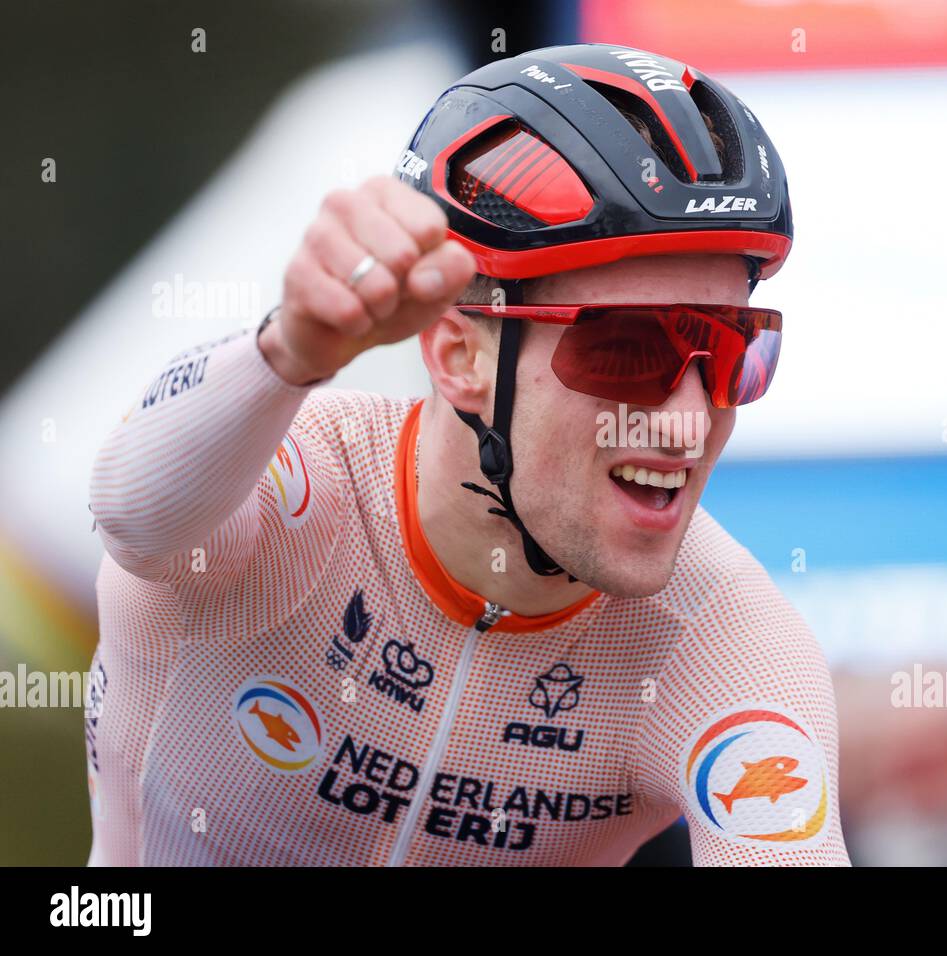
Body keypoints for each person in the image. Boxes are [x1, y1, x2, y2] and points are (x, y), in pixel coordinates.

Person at [84, 43, 847, 866]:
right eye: (631, 351)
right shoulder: (297, 489)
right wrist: (287, 353)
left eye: (734, 353)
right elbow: (132, 515)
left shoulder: (719, 639)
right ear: (459, 355)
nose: (689, 422)